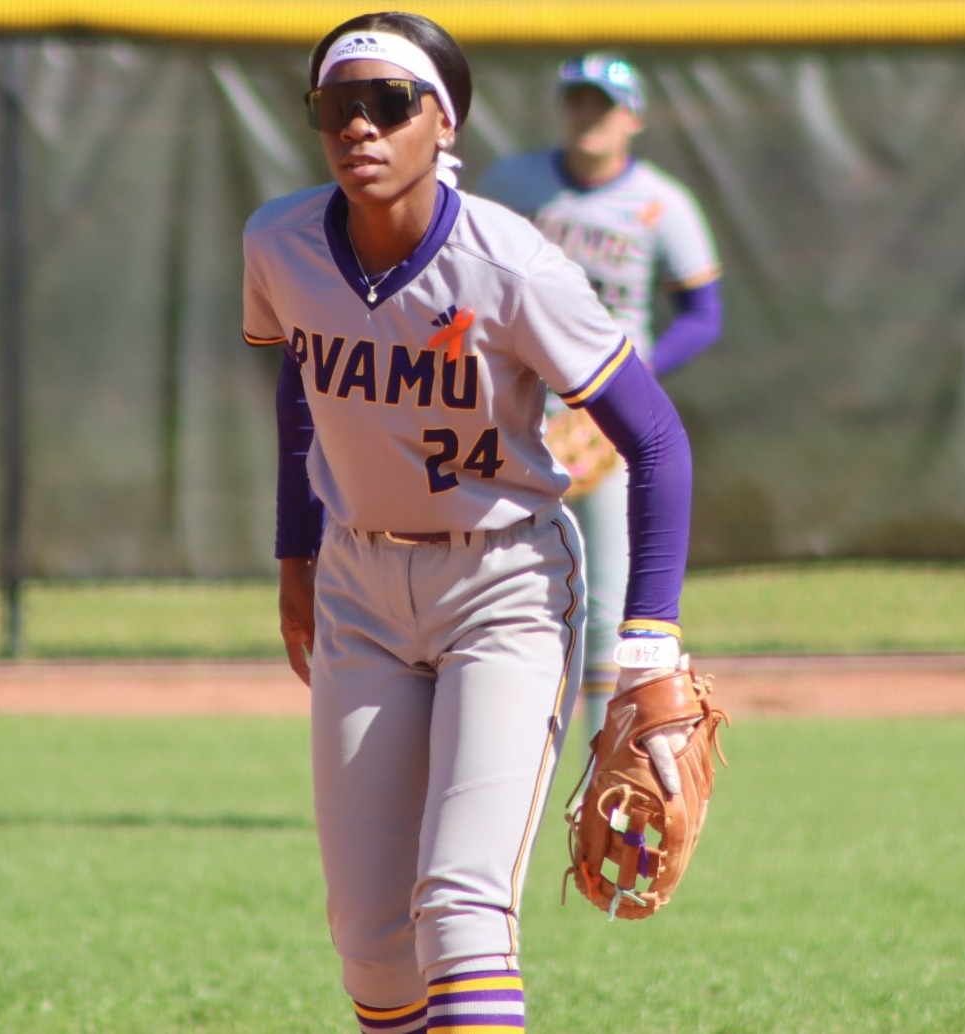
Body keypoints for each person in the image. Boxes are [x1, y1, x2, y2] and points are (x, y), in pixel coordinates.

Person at [241, 13, 697, 1032]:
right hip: (358, 582)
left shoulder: (512, 264)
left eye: (387, 104)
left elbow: (657, 440)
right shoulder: (277, 240)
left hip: (505, 586)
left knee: (459, 907)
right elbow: (298, 388)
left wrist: (647, 640)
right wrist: (294, 555)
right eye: (334, 107)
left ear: (441, 122)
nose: (358, 125)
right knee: (369, 939)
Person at [476, 52, 723, 741]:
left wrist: (633, 385)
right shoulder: (515, 184)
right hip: (518, 419)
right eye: (578, 102)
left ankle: (602, 763)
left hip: (613, 425)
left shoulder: (661, 203)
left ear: (632, 118)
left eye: (603, 105)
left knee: (615, 601)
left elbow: (704, 314)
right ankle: (516, 755)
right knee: (505, 593)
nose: (588, 116)